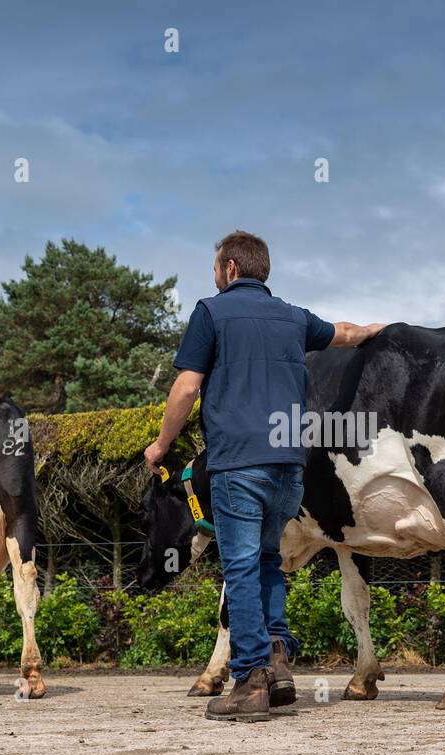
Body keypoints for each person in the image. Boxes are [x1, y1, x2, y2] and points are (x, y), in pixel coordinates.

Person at [143, 231, 384, 721]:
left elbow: (187, 388)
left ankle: (250, 679)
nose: (213, 274)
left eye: (215, 266)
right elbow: (344, 333)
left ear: (230, 268)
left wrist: (162, 444)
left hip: (238, 462)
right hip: (289, 470)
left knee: (242, 568)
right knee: (270, 562)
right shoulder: (293, 317)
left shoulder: (210, 313)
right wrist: (380, 330)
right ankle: (277, 666)